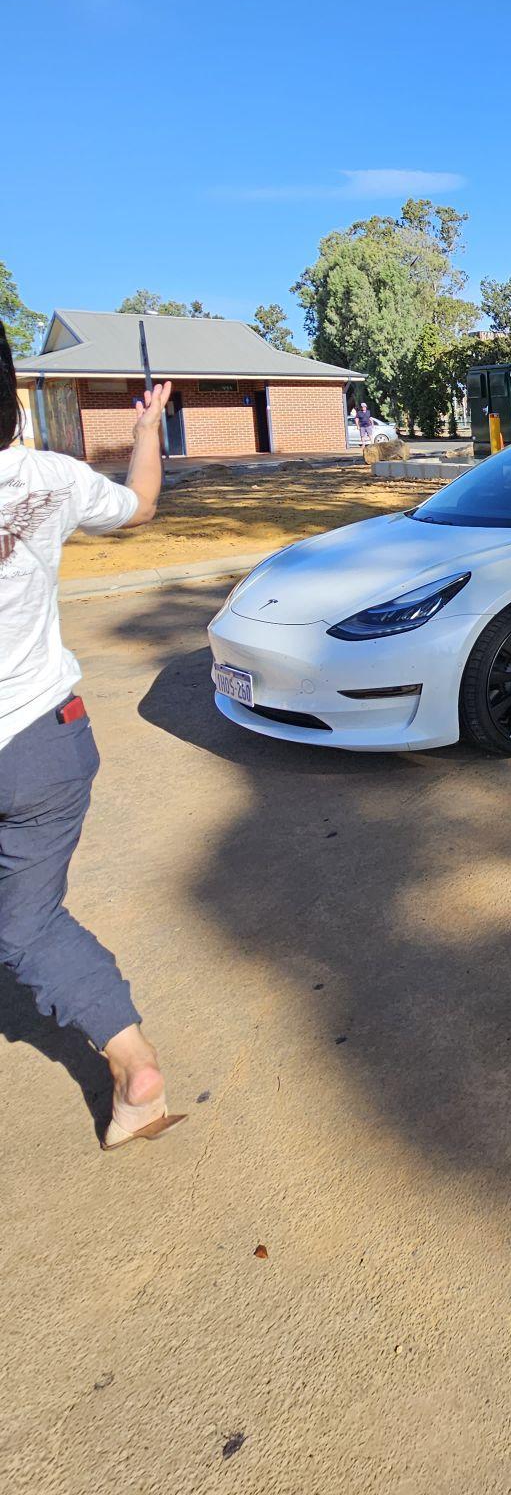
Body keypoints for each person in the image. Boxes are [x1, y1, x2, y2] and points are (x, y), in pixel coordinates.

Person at [0, 326, 183, 1151]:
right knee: (28, 917)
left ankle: (129, 1057)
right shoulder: (49, 478)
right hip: (50, 739)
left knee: (25, 923)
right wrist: (147, 433)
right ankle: (133, 1067)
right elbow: (140, 506)